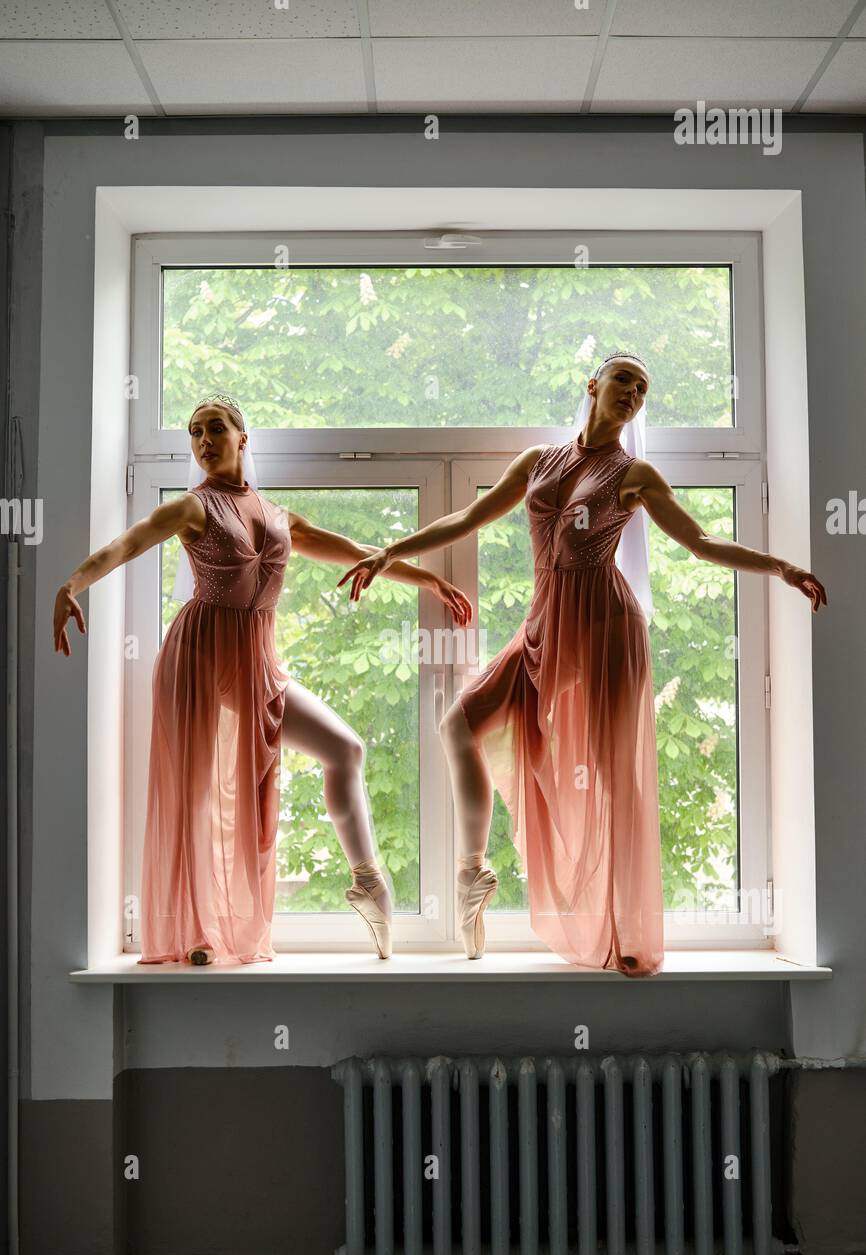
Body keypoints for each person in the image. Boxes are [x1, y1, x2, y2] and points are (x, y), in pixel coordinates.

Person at [338, 353, 828, 975]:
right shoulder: (539, 461)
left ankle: (624, 930)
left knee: (613, 776)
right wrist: (389, 552)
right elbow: (468, 517)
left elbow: (702, 543)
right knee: (458, 724)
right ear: (593, 386)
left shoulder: (636, 474)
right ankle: (472, 875)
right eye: (624, 380)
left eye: (643, 388)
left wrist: (782, 567)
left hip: (605, 627)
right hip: (545, 624)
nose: (634, 393)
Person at [53, 395, 472, 965]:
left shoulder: (280, 518)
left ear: (242, 438)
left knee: (345, 748)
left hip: (256, 663)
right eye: (195, 432)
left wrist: (426, 578)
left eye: (215, 429)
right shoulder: (190, 508)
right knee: (194, 793)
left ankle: (369, 885)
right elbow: (126, 544)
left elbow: (357, 553)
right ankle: (194, 933)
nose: (203, 441)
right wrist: (71, 585)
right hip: (197, 654)